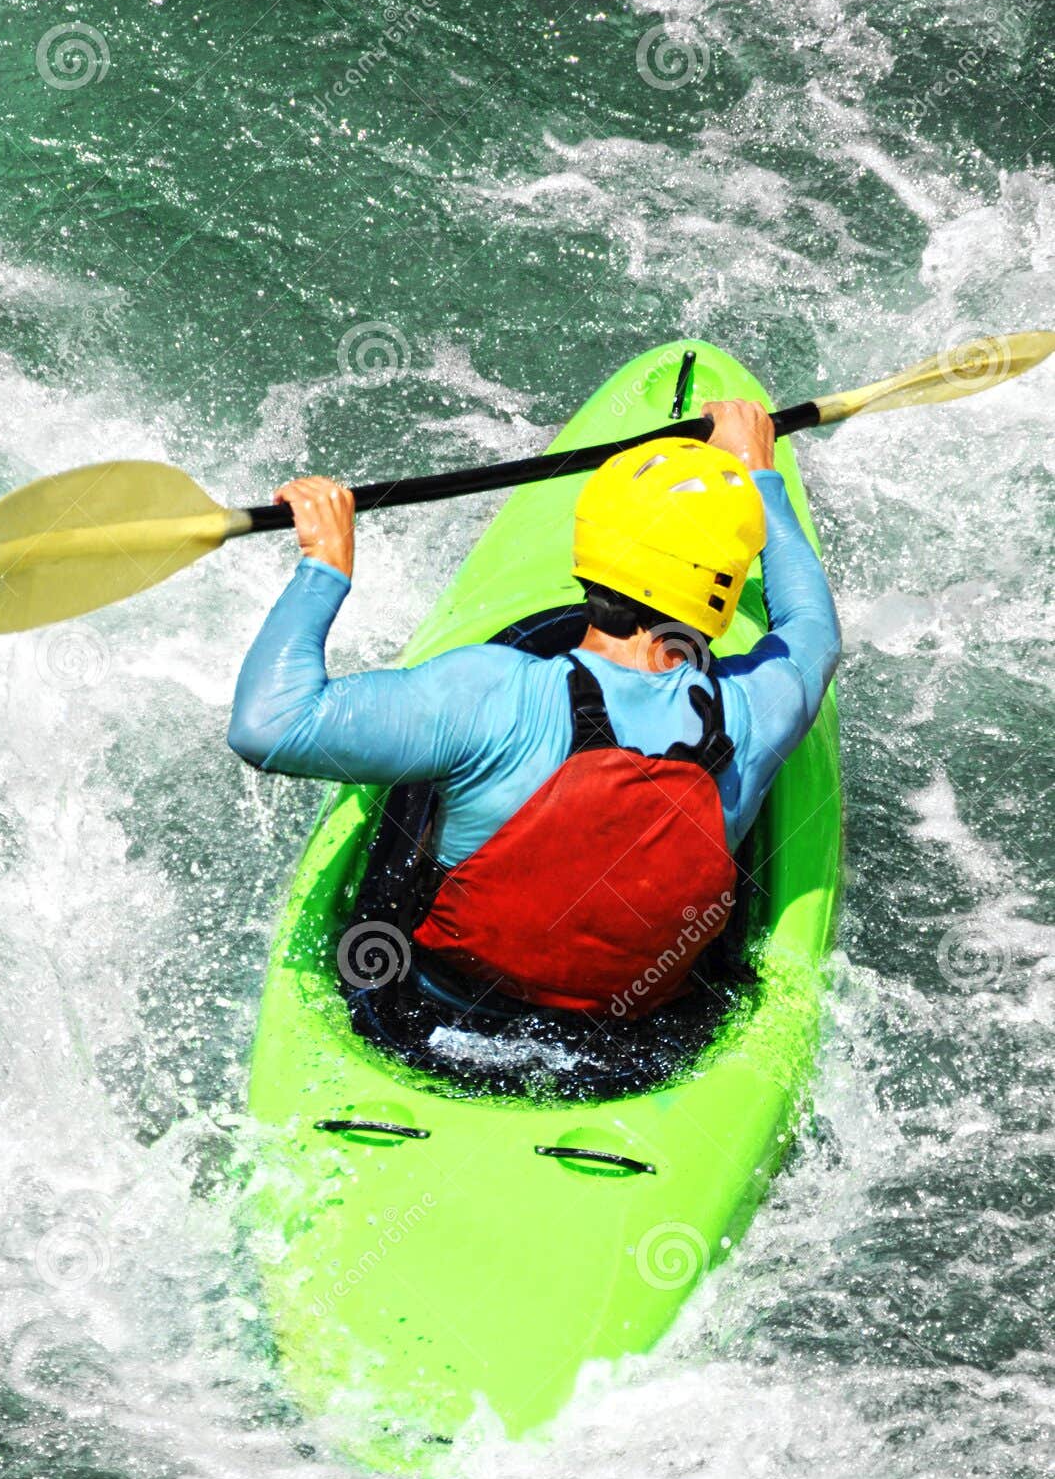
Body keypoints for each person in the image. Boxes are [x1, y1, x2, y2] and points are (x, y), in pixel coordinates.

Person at [229, 399, 840, 1020]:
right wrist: (757, 475)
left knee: (419, 789)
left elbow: (268, 726)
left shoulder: (491, 692)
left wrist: (325, 566)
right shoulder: (761, 709)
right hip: (632, 1044)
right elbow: (812, 625)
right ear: (724, 583)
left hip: (437, 1017)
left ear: (587, 549)